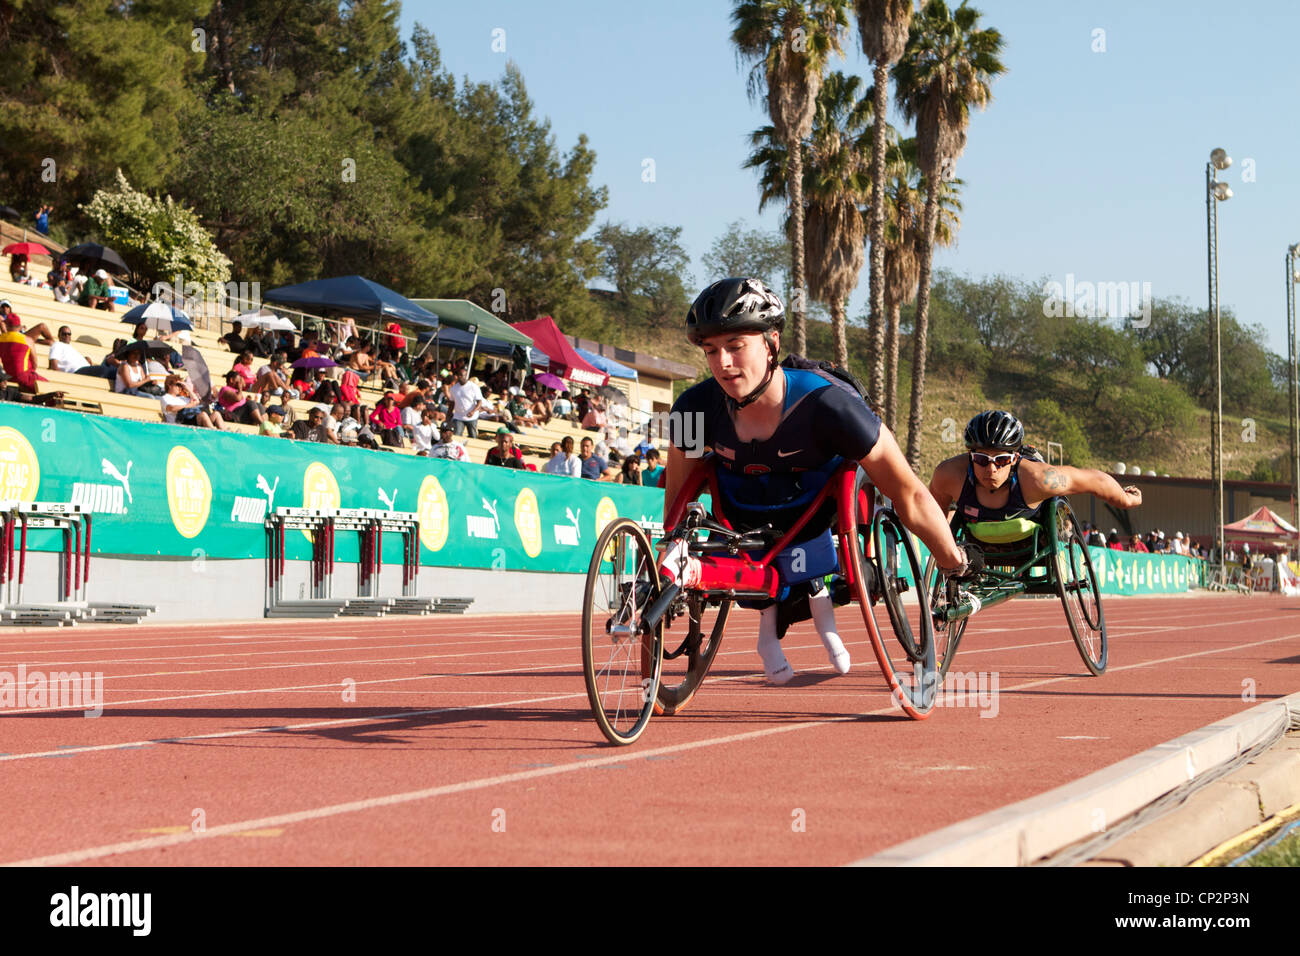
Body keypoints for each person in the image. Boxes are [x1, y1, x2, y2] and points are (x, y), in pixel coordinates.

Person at [664, 278, 968, 685]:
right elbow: (677, 500)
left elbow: (909, 492)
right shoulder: (692, 408)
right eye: (711, 351)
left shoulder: (829, 405)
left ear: (771, 343)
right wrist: (669, 558)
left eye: (736, 346)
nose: (722, 363)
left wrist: (953, 560)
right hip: (741, 516)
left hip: (814, 512)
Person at [928, 409, 1142, 540]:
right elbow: (932, 512)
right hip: (975, 535)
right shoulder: (949, 475)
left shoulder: (1037, 479)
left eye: (1000, 460)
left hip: (1030, 523)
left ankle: (1031, 453)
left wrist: (1125, 499)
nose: (991, 469)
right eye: (981, 460)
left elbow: (1095, 480)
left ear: (1013, 458)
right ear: (970, 456)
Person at [449, 368, 489, 438]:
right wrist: (448, 415)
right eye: (459, 375)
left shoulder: (474, 387)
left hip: (472, 417)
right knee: (456, 436)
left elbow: (479, 402)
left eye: (462, 375)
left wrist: (473, 411)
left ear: (466, 375)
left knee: (473, 436)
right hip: (459, 416)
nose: (460, 377)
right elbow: (452, 404)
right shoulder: (453, 388)